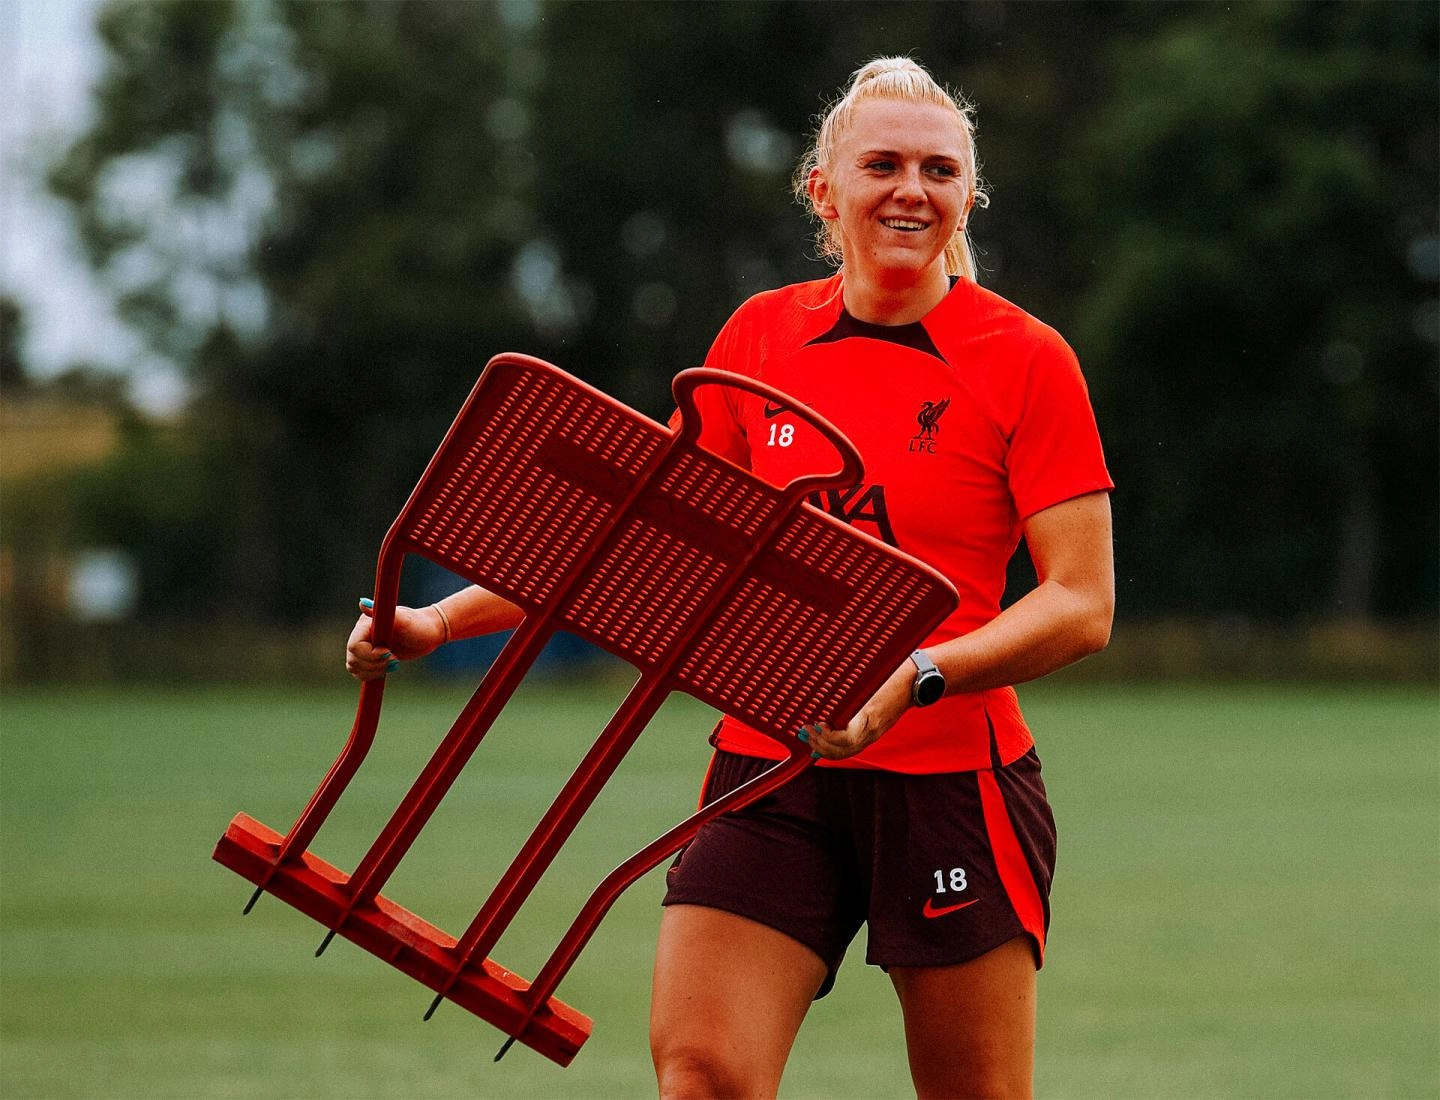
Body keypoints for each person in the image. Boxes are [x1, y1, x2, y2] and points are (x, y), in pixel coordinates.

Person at [348, 56, 1113, 1100]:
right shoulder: (761, 336)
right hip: (768, 770)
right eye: (882, 164)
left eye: (940, 171)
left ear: (966, 198)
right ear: (823, 191)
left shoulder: (1027, 359)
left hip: (952, 790)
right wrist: (443, 620)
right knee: (704, 1077)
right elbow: (639, 538)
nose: (911, 190)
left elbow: (1082, 602)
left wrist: (914, 675)